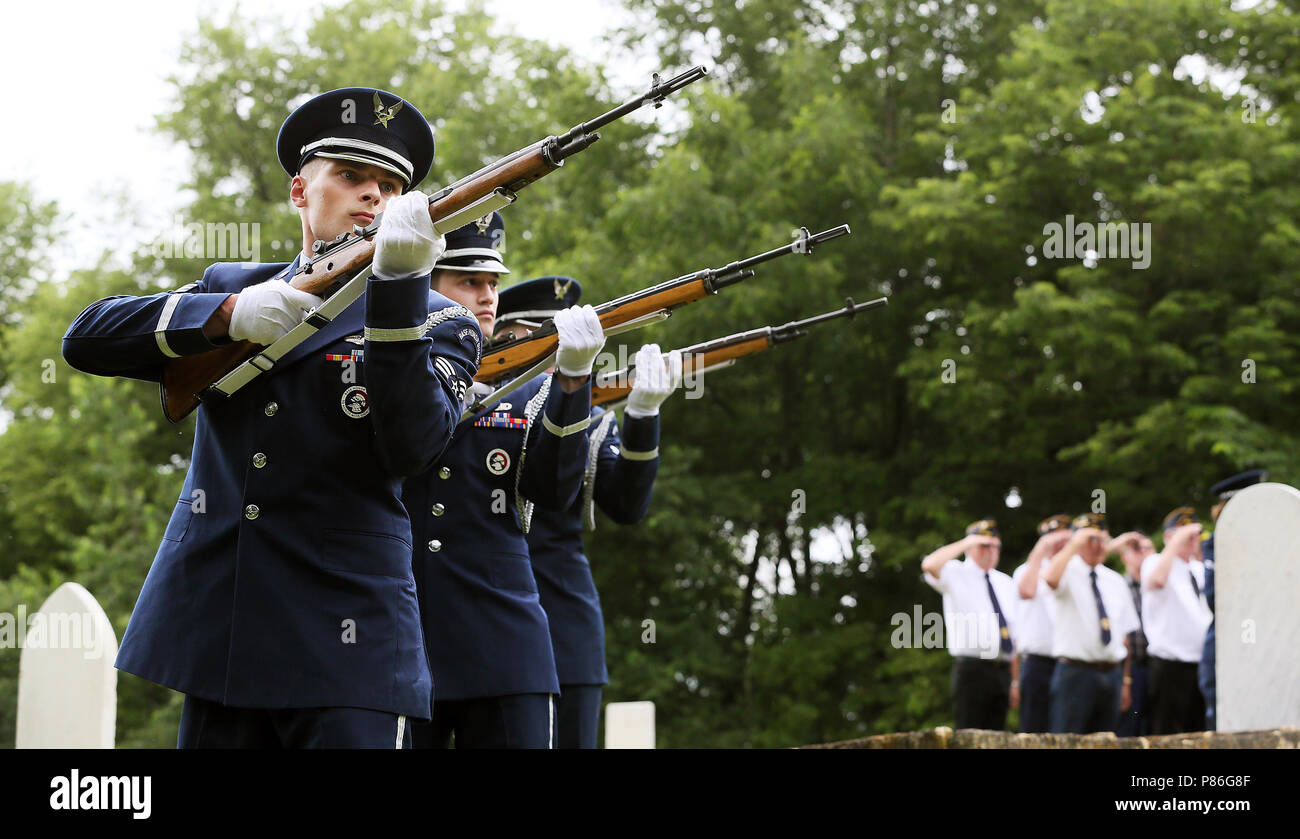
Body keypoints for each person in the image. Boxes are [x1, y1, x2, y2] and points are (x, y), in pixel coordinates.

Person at [61, 87, 482, 747]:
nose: (374, 194)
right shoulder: (238, 285)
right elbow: (85, 337)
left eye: (392, 185)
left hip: (351, 640)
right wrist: (225, 315)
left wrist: (397, 296)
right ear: (298, 192)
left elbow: (413, 447)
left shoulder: (441, 317)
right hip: (225, 632)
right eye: (350, 176)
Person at [403, 216, 606, 749]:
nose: (488, 296)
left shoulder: (533, 393)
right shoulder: (393, 376)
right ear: (427, 287)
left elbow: (556, 489)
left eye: (492, 283)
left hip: (503, 644)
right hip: (403, 642)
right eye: (469, 282)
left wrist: (573, 384)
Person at [495, 277, 681, 748]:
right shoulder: (478, 408)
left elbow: (627, 505)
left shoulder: (589, 420)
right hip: (484, 621)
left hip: (563, 628)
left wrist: (642, 416)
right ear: (502, 338)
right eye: (533, 338)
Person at [1041, 513, 1140, 734]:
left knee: (1105, 740)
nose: (1098, 546)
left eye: (1102, 540)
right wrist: (1074, 543)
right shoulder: (1066, 570)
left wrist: (1125, 680)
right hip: (1076, 672)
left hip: (1111, 673)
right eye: (1091, 541)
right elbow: (1049, 579)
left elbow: (1124, 637)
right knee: (1067, 740)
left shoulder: (1114, 580)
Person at [921, 519, 1020, 730]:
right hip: (973, 669)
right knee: (969, 734)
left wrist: (1014, 681)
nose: (991, 551)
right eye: (984, 545)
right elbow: (929, 565)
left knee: (997, 739)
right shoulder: (956, 572)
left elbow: (1013, 635)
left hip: (1001, 669)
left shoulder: (1005, 582)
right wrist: (968, 541)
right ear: (970, 547)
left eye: (995, 546)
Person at [1199, 469, 1267, 730]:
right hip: (1230, 634)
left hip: (1263, 633)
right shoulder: (1219, 541)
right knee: (1222, 711)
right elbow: (1216, 598)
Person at [1142, 507, 1211, 735]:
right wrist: (1177, 539)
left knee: (1199, 731)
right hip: (1170, 665)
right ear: (1168, 538)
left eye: (1194, 535)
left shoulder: (1199, 569)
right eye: (1185, 535)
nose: (1193, 539)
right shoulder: (1155, 562)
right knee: (1167, 733)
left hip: (1199, 663)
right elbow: (1157, 580)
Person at [1011, 514, 1072, 733]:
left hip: (1070, 663)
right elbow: (1027, 590)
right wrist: (1040, 552)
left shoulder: (1074, 571)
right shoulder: (1027, 571)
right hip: (1038, 664)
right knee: (1034, 730)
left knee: (1066, 731)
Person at [1110, 530, 1155, 737]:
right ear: (1124, 556)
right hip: (1132, 668)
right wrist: (1125, 680)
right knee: (1129, 730)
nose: (1143, 553)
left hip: (1158, 665)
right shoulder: (1117, 586)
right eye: (1137, 548)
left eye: (1148, 547)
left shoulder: (1160, 583)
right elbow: (1121, 637)